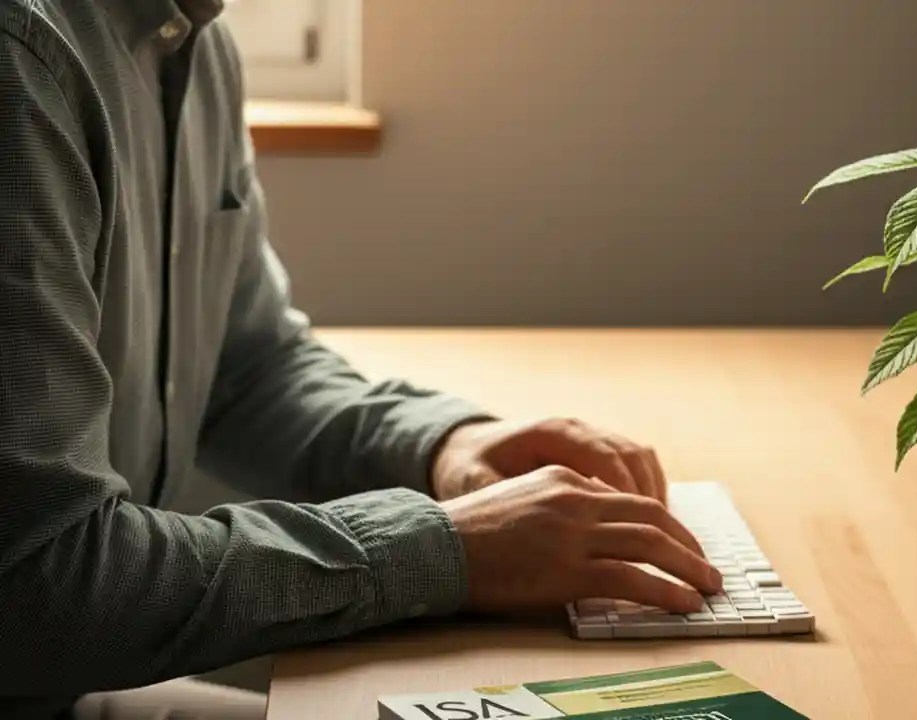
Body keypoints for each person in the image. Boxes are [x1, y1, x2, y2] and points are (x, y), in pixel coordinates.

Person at [0, 1, 723, 718]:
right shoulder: (23, 60)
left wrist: (442, 443)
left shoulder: (191, 39)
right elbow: (44, 578)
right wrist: (445, 549)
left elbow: (247, 369)